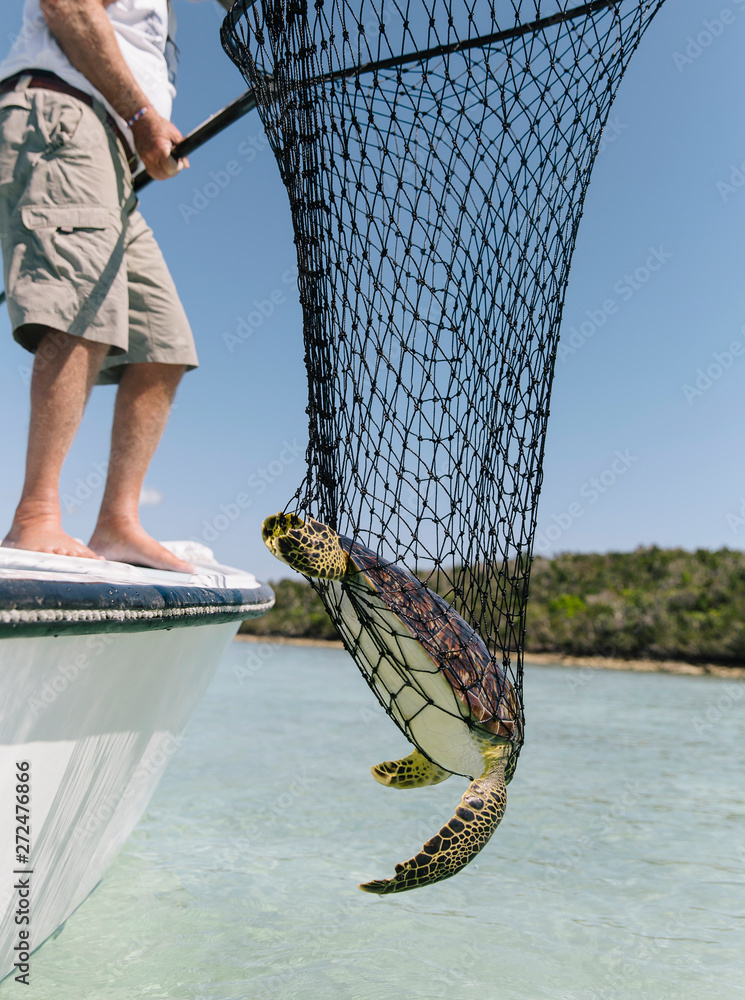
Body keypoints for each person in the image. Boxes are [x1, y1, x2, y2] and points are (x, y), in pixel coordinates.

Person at [0, 0, 229, 572]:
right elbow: (66, 4)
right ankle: (36, 515)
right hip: (65, 114)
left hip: (114, 155)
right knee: (83, 308)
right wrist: (142, 116)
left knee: (163, 344)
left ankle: (117, 524)